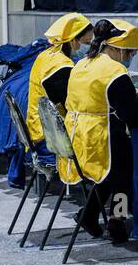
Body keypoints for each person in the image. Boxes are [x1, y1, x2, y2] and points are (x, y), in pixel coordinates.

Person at [58, 19, 138, 243]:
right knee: (125, 166)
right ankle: (117, 218)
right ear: (116, 48)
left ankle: (90, 214)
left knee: (115, 165)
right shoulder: (115, 72)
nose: (130, 58)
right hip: (100, 143)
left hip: (76, 142)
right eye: (129, 53)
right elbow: (132, 115)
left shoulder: (81, 64)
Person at [24, 12, 92, 166]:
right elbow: (70, 106)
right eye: (87, 43)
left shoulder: (47, 55)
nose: (88, 48)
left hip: (38, 131)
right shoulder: (60, 66)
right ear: (73, 39)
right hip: (49, 140)